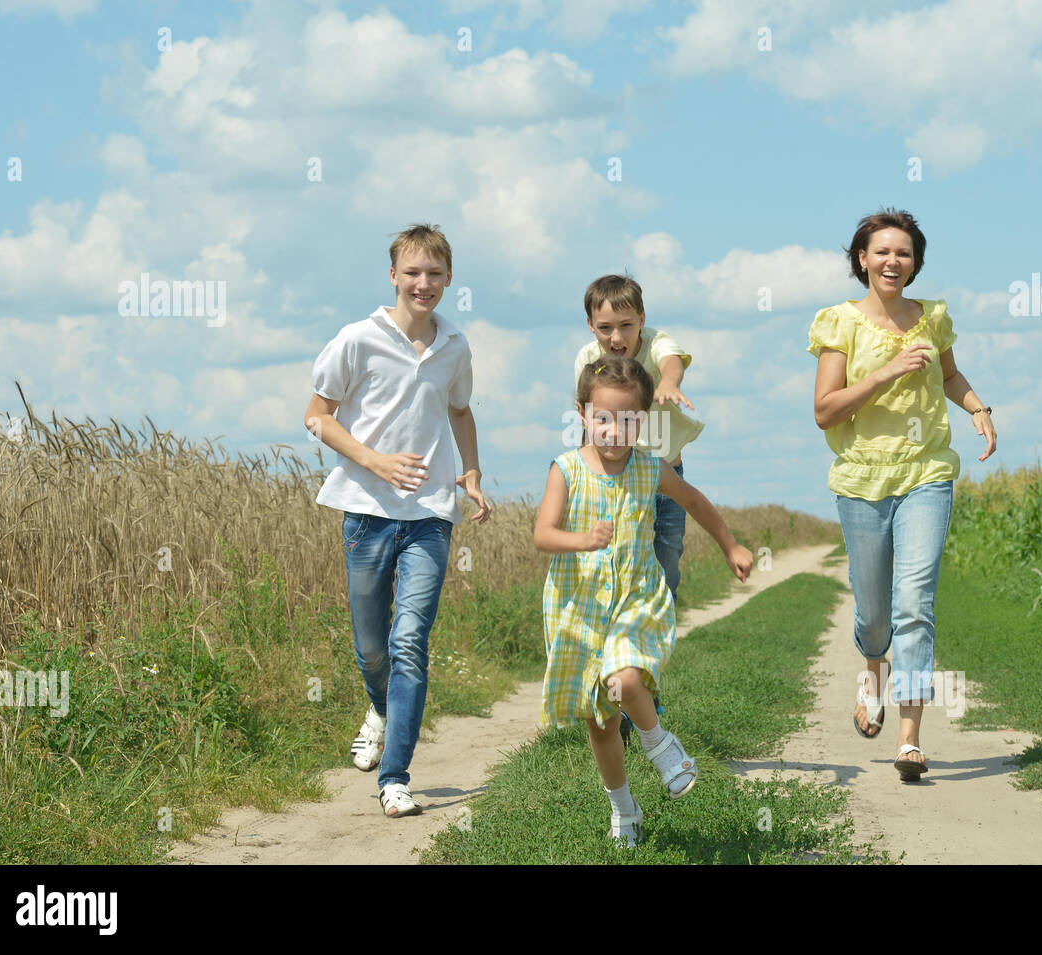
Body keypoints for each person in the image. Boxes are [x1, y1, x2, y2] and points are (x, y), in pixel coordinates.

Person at [304, 223, 491, 817]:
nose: (423, 283)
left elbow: (461, 412)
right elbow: (317, 416)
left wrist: (473, 476)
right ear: (393, 276)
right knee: (371, 647)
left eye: (435, 273)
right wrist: (375, 461)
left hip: (431, 515)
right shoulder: (358, 339)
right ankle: (379, 709)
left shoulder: (455, 346)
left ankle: (396, 777)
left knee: (409, 641)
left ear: (449, 279)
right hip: (365, 513)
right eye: (413, 272)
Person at [808, 208, 996, 781]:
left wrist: (979, 410)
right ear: (861, 260)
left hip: (927, 473)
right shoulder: (839, 323)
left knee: (915, 603)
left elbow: (948, 376)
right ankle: (873, 672)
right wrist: (885, 373)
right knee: (874, 611)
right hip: (862, 477)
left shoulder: (932, 318)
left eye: (904, 253)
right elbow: (824, 411)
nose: (893, 260)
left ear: (914, 264)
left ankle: (910, 738)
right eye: (882, 251)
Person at [534, 356, 752, 845]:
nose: (614, 430)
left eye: (628, 419)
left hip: (636, 598)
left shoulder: (650, 469)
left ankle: (661, 746)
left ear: (644, 420)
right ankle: (624, 808)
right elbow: (543, 535)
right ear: (583, 413)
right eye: (604, 418)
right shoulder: (565, 470)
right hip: (578, 611)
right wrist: (583, 540)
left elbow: (694, 501)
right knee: (601, 721)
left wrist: (730, 544)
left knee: (626, 677)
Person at [574, 274, 704, 744]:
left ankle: (642, 677)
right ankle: (615, 683)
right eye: (605, 327)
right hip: (612, 485)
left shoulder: (658, 344)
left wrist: (667, 385)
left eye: (626, 326)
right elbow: (587, 422)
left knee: (664, 574)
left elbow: (672, 366)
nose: (616, 338)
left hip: (663, 477)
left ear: (642, 322)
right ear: (591, 326)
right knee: (612, 576)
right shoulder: (588, 361)